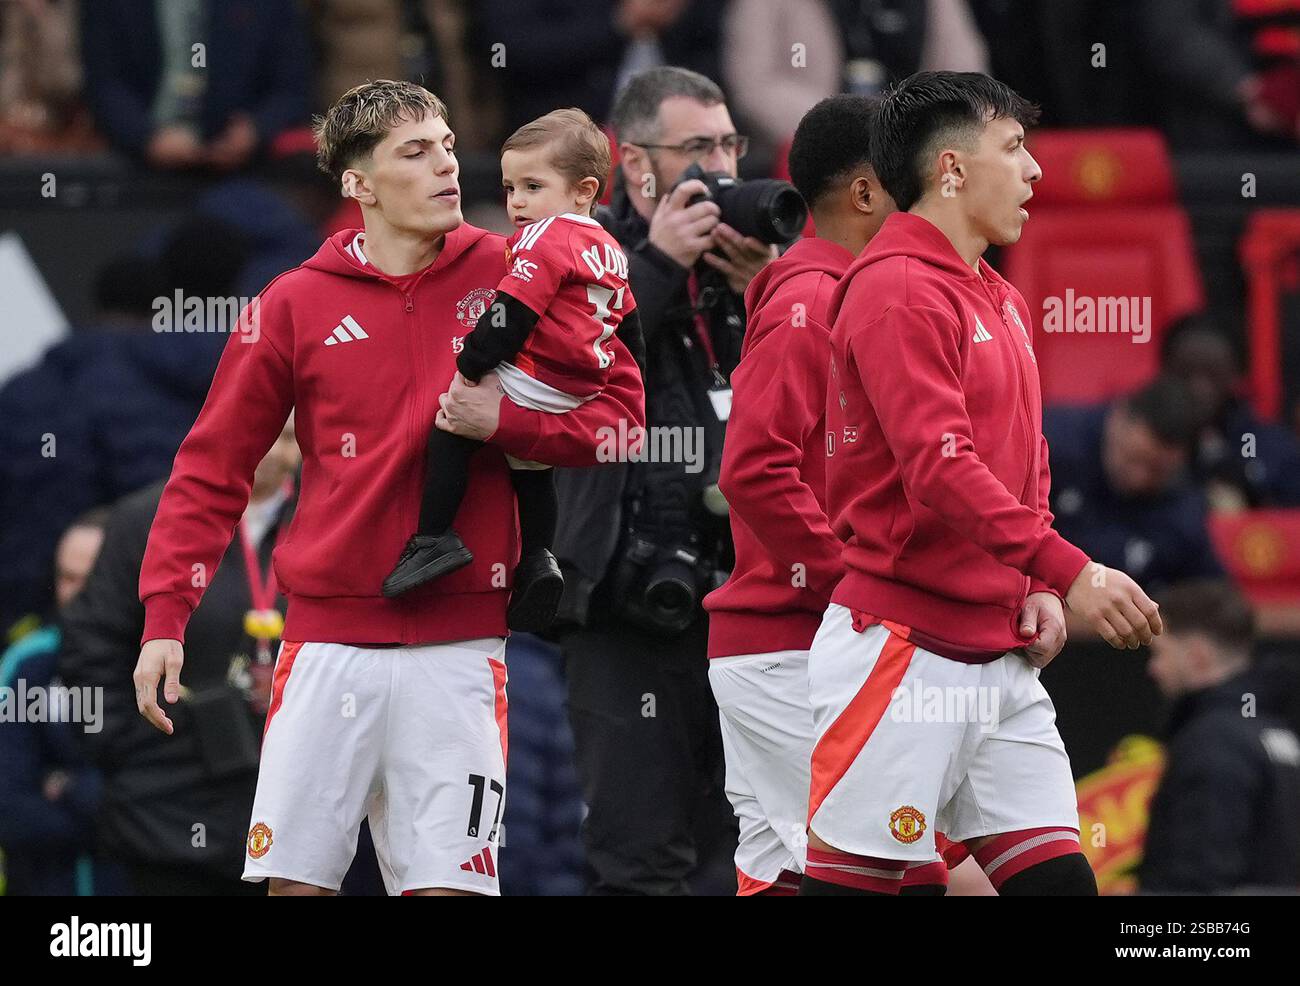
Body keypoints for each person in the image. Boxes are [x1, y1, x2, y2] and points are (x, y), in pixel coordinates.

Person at [130, 80, 644, 897]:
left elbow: (622, 422)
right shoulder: (291, 303)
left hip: (463, 651)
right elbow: (211, 467)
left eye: (446, 144)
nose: (446, 165)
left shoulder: (522, 264)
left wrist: (505, 423)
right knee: (297, 888)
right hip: (327, 646)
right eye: (416, 152)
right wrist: (166, 616)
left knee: (452, 890)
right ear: (357, 184)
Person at [806, 71, 1163, 896]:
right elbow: (940, 471)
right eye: (1014, 147)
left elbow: (1021, 458)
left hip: (999, 656)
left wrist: (1036, 580)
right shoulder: (896, 288)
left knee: (1064, 886)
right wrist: (1076, 570)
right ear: (953, 170)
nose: (1036, 171)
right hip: (900, 650)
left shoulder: (997, 294)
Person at [552, 65, 776, 895]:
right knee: (640, 857)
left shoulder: (751, 266)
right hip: (623, 606)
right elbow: (558, 371)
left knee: (757, 849)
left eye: (729, 143)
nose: (722, 165)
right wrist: (655, 264)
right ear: (635, 165)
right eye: (698, 147)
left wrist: (768, 298)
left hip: (746, 598)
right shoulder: (578, 254)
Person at [701, 94, 913, 894]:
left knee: (783, 875)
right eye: (917, 175)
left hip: (797, 641)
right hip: (794, 645)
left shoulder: (839, 294)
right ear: (866, 193)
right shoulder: (808, 302)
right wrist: (855, 586)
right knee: (884, 873)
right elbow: (751, 470)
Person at [384, 108, 643, 638]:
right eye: (509, 188)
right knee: (531, 468)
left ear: (582, 190)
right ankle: (539, 559)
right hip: (580, 387)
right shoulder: (610, 248)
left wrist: (472, 364)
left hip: (536, 375)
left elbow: (513, 311)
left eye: (532, 185)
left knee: (451, 430)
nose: (517, 202)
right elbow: (629, 331)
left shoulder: (544, 239)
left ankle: (434, 539)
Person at [58, 422, 299, 897]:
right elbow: (91, 645)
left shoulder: (333, 517)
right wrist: (132, 749)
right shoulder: (148, 519)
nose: (274, 449)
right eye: (264, 427)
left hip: (291, 810)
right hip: (166, 811)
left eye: (291, 435)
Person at [1141, 579, 1300, 893]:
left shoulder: (1213, 742)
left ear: (1197, 655)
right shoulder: (1278, 734)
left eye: (1160, 653)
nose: (1153, 669)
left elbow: (1196, 881)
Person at [0, 508, 122, 896]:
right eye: (67, 578)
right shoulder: (27, 663)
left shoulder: (154, 665)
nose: (77, 593)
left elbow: (165, 804)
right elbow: (11, 811)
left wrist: (66, 787)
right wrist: (108, 814)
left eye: (91, 579)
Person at [1044, 375, 1225, 606]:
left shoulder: (1182, 502)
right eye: (1133, 460)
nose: (1139, 479)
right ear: (1117, 418)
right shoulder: (1050, 446)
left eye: (1156, 470)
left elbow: (1213, 593)